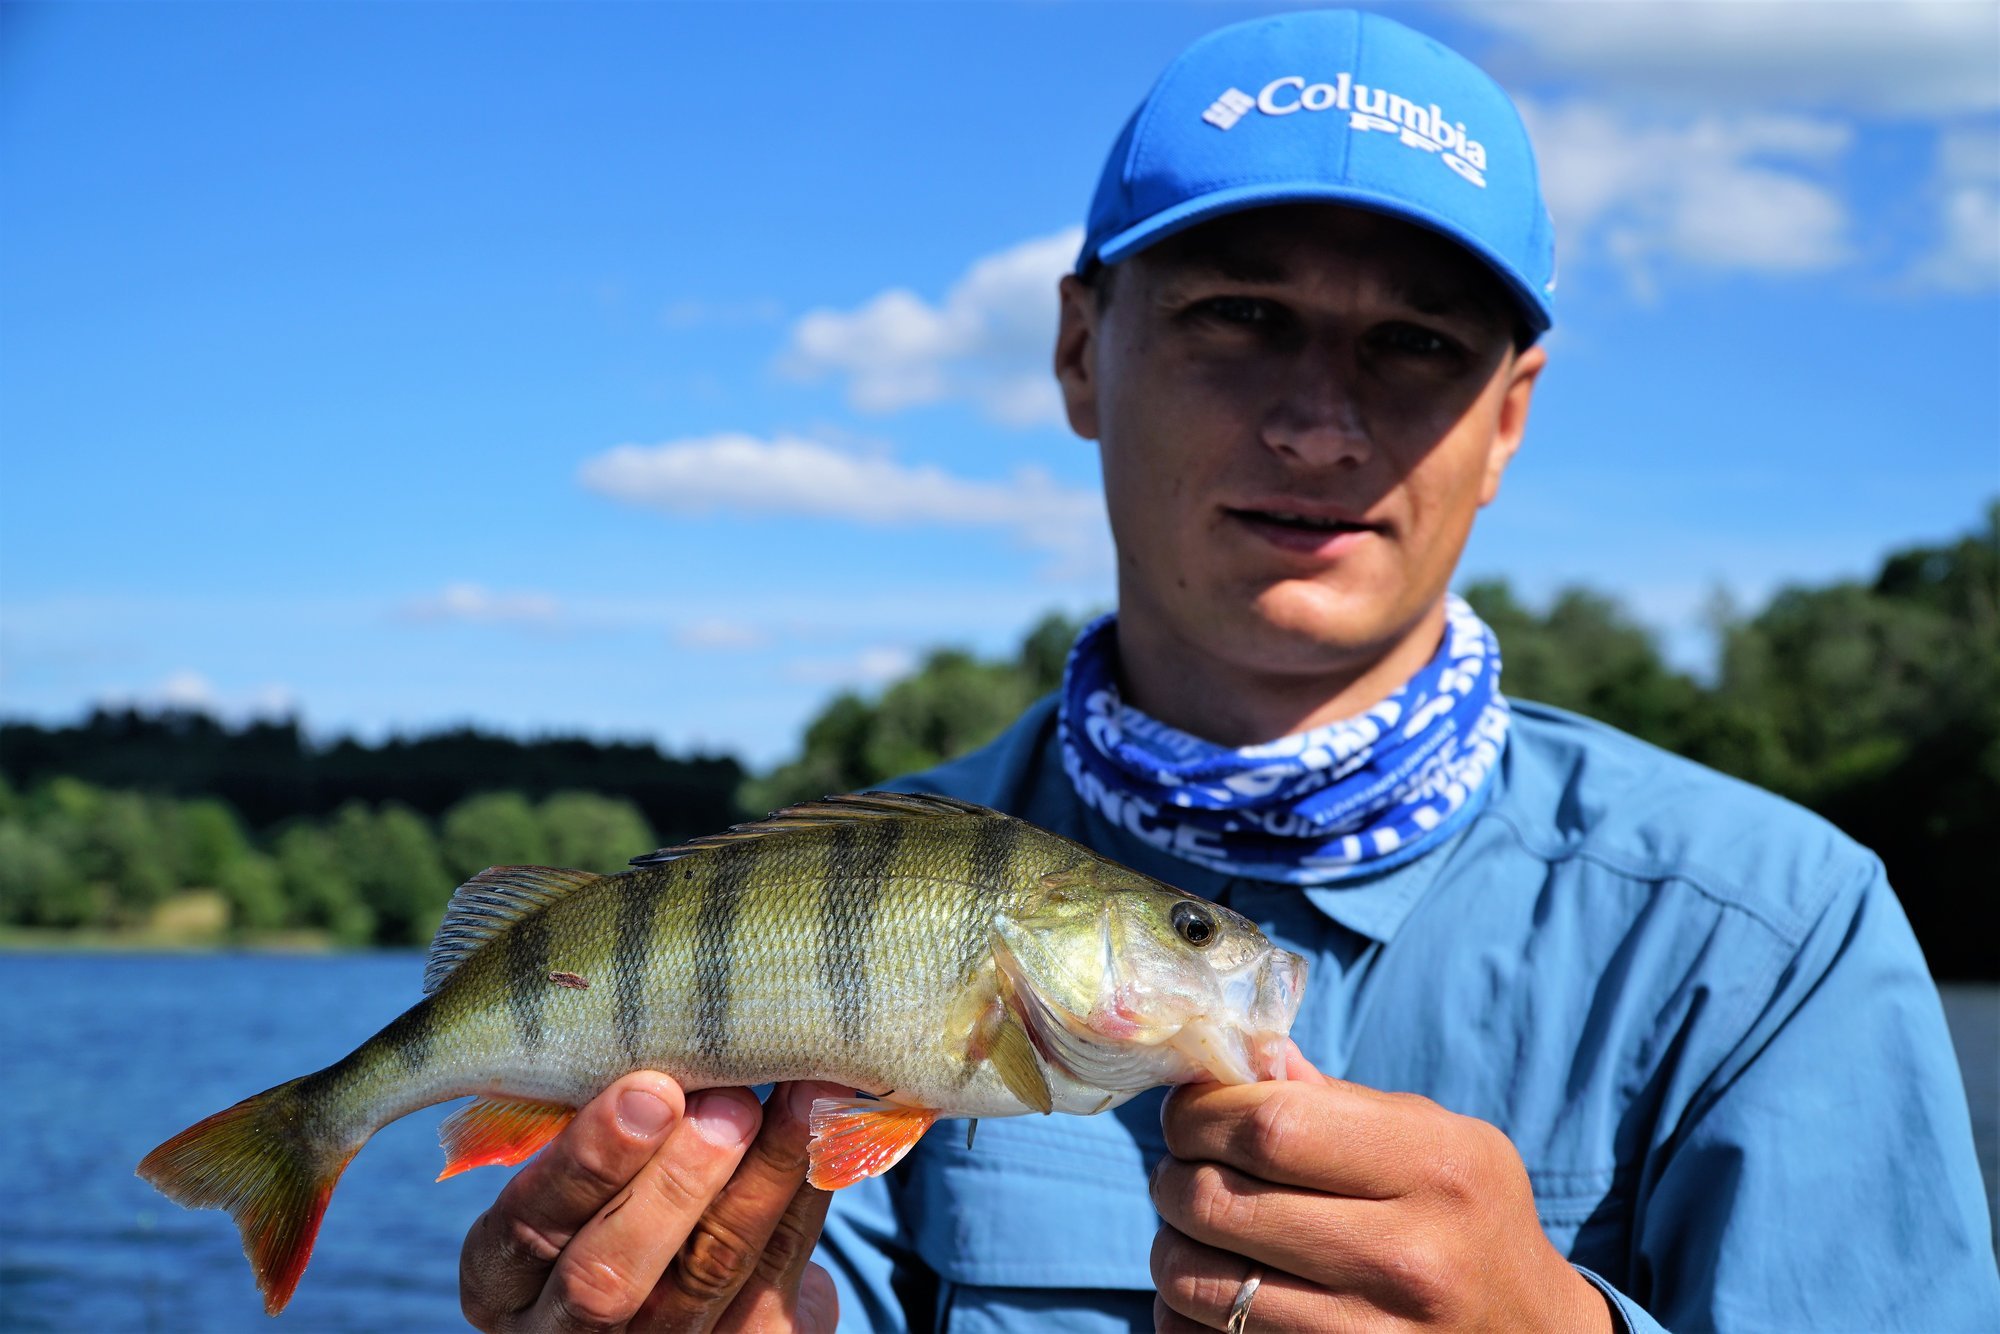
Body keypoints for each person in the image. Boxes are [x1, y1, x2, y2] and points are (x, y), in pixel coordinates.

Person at [456, 11, 2000, 1332]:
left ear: (1511, 417)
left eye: (1417, 345)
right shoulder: (857, 878)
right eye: (1239, 316)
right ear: (1077, 351)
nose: (1322, 425)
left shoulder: (1783, 939)